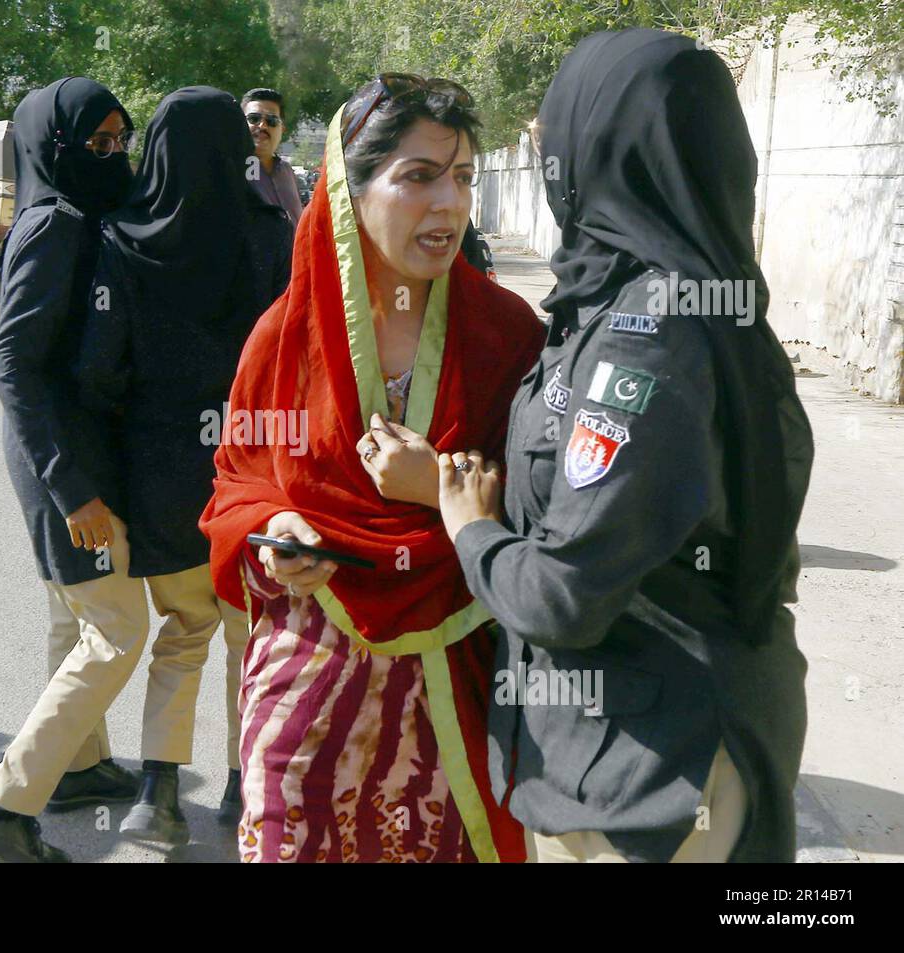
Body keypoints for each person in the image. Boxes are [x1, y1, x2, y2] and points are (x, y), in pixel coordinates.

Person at [429, 30, 815, 862]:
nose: (543, 147)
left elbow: (566, 594)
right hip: (665, 742)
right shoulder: (685, 300)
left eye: (553, 129)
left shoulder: (649, 330)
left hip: (655, 770)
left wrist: (469, 525)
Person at [199, 75, 544, 862]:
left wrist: (440, 492)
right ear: (350, 190)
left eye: (462, 178)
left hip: (454, 675)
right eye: (418, 176)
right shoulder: (285, 338)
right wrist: (275, 527)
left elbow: (549, 514)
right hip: (311, 674)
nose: (449, 205)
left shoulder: (505, 335)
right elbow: (238, 479)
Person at [78, 87, 293, 843]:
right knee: (249, 634)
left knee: (182, 631)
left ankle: (158, 797)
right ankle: (244, 788)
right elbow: (291, 357)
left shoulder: (121, 235)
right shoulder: (269, 231)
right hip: (250, 471)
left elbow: (99, 372)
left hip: (158, 474)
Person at [0, 77, 140, 863]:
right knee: (120, 629)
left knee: (74, 617)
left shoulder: (71, 214)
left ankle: (79, 767)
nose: (114, 155)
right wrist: (74, 487)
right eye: (97, 143)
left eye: (121, 139)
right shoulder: (55, 225)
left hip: (64, 452)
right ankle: (0, 802)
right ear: (55, 147)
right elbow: (13, 364)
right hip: (64, 461)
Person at [241, 88, 304, 228]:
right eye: (254, 119)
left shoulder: (287, 172)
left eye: (272, 120)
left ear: (282, 129)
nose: (262, 125)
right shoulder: (231, 171)